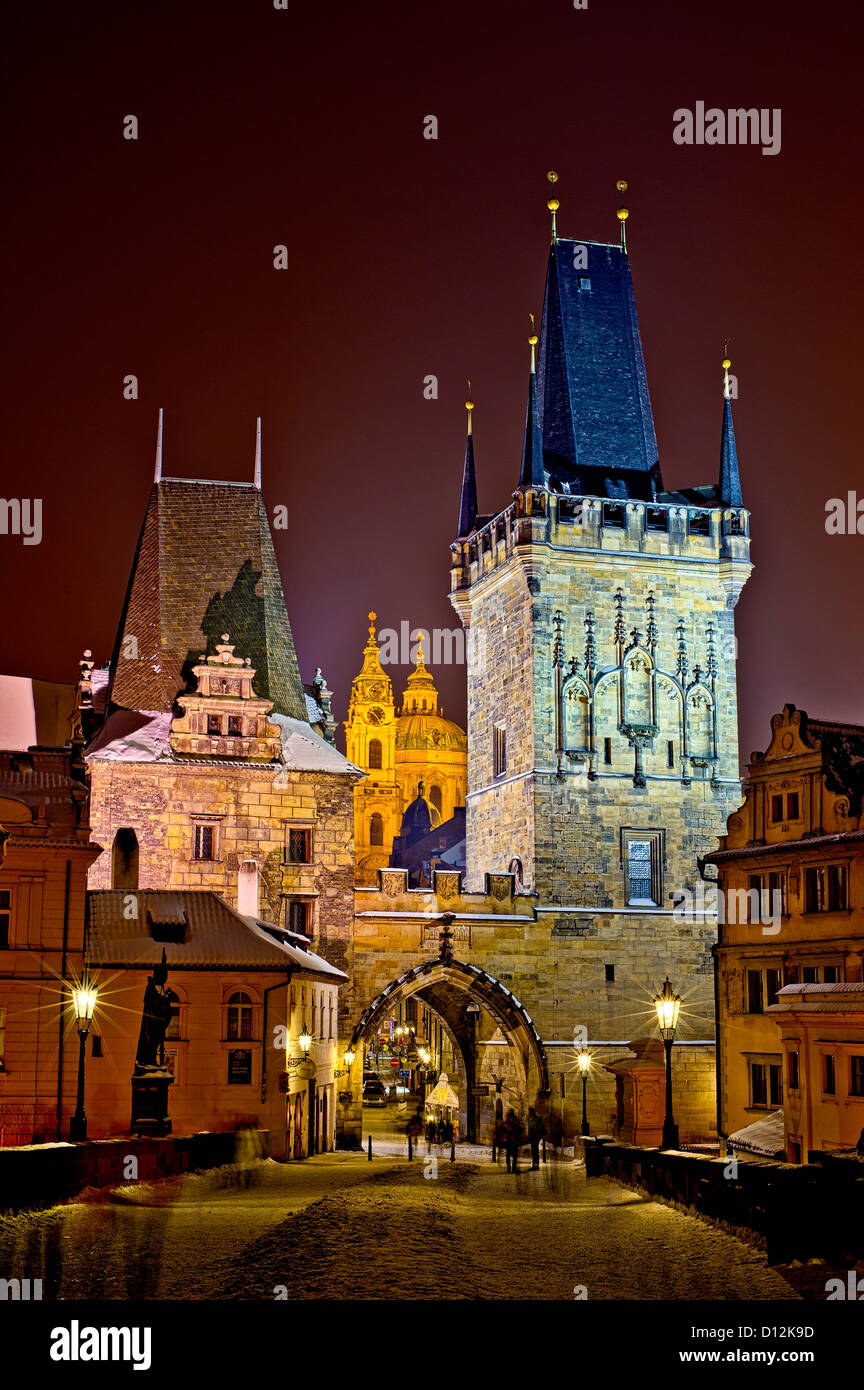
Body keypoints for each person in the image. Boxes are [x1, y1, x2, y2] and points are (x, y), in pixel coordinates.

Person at [504, 1108, 523, 1174]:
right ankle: (513, 1168)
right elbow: (519, 1129)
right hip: (514, 1140)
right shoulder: (516, 1121)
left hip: (510, 1140)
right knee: (514, 1156)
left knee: (509, 1155)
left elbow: (505, 1130)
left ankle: (509, 1168)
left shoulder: (507, 1121)